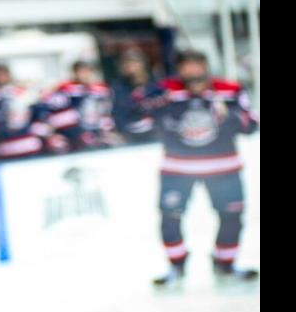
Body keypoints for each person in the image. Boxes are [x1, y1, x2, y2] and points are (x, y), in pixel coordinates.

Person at [142, 50, 259, 285]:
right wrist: (153, 100)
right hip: (178, 170)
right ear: (180, 69)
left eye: (198, 65)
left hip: (223, 168)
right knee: (170, 217)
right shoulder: (165, 91)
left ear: (206, 65)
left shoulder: (229, 90)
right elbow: (138, 123)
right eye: (187, 66)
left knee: (231, 216)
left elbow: (252, 125)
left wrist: (232, 116)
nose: (193, 71)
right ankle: (177, 267)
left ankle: (225, 264)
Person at [35, 59, 116, 154]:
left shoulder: (101, 89)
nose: (84, 75)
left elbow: (108, 110)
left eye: (87, 71)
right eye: (81, 71)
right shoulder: (66, 88)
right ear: (74, 72)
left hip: (96, 130)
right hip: (73, 133)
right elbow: (49, 107)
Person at [111, 47, 159, 144]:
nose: (130, 66)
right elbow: (118, 113)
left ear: (143, 64)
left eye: (134, 62)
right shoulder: (117, 88)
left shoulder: (158, 84)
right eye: (126, 63)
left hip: (159, 136)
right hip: (132, 138)